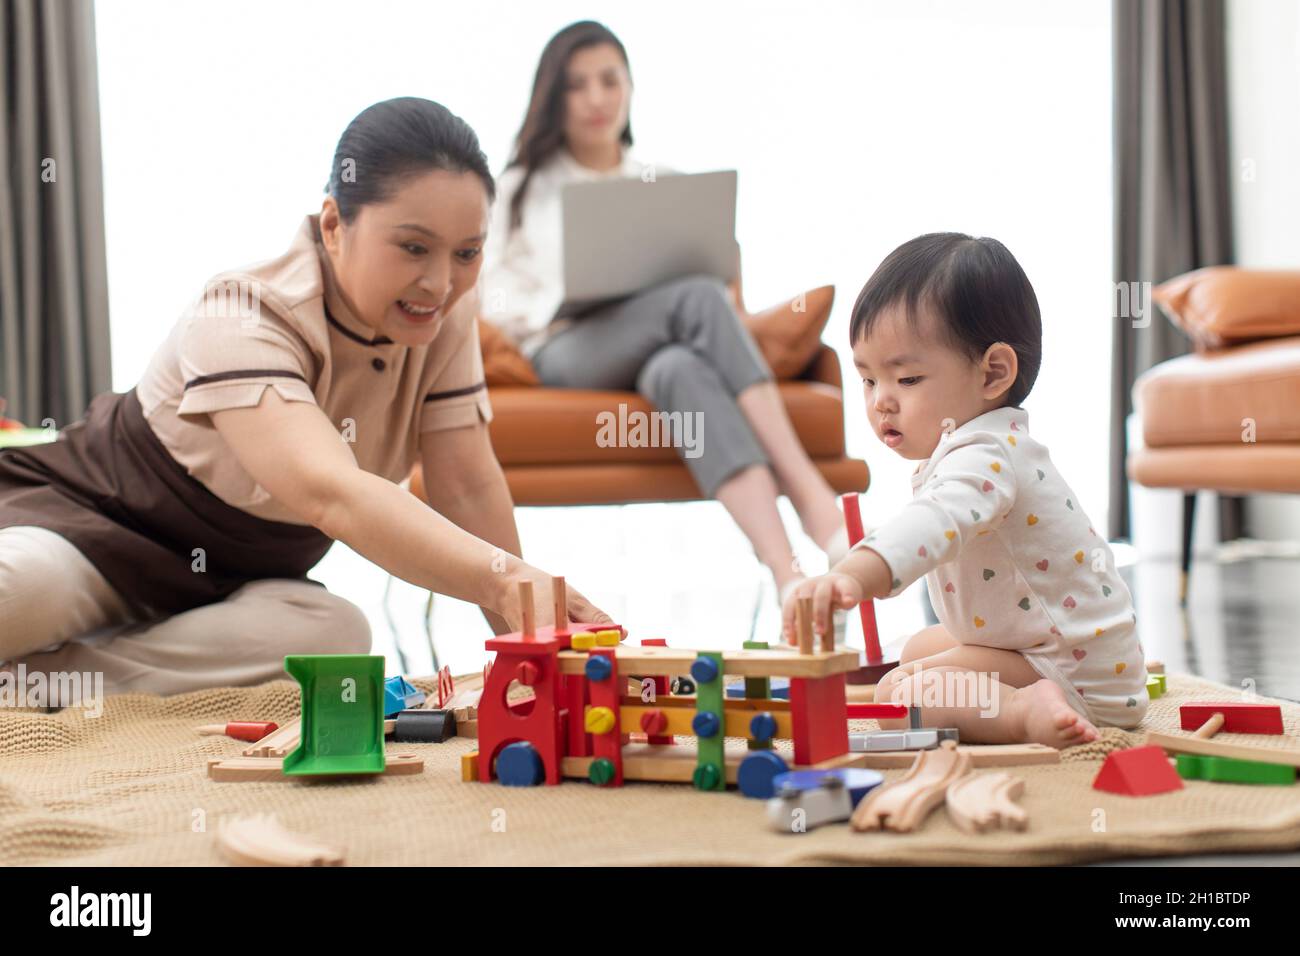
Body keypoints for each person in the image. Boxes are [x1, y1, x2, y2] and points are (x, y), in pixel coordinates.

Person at [0, 97, 611, 699]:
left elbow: (469, 487)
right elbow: (331, 493)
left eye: (467, 253)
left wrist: (538, 655)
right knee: (19, 591)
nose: (441, 282)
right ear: (333, 225)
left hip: (234, 587)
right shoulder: (239, 312)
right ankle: (64, 652)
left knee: (338, 634)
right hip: (90, 537)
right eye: (414, 247)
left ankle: (43, 680)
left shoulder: (445, 320)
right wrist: (503, 581)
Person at [480, 20, 850, 606]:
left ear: (629, 87)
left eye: (609, 80)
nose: (598, 97)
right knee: (695, 298)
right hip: (564, 348)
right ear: (554, 97)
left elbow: (720, 276)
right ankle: (811, 494)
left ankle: (788, 578)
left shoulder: (663, 183)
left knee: (677, 369)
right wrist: (566, 294)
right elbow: (490, 294)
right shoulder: (521, 186)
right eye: (578, 85)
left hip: (659, 345)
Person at [785, 233, 1147, 747]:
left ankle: (1026, 713)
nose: (881, 403)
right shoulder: (990, 444)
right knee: (912, 654)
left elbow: (932, 523)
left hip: (1076, 677)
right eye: (868, 381)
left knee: (898, 695)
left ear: (993, 373)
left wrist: (853, 574)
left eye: (907, 379)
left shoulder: (985, 456)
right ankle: (1021, 699)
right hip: (1063, 652)